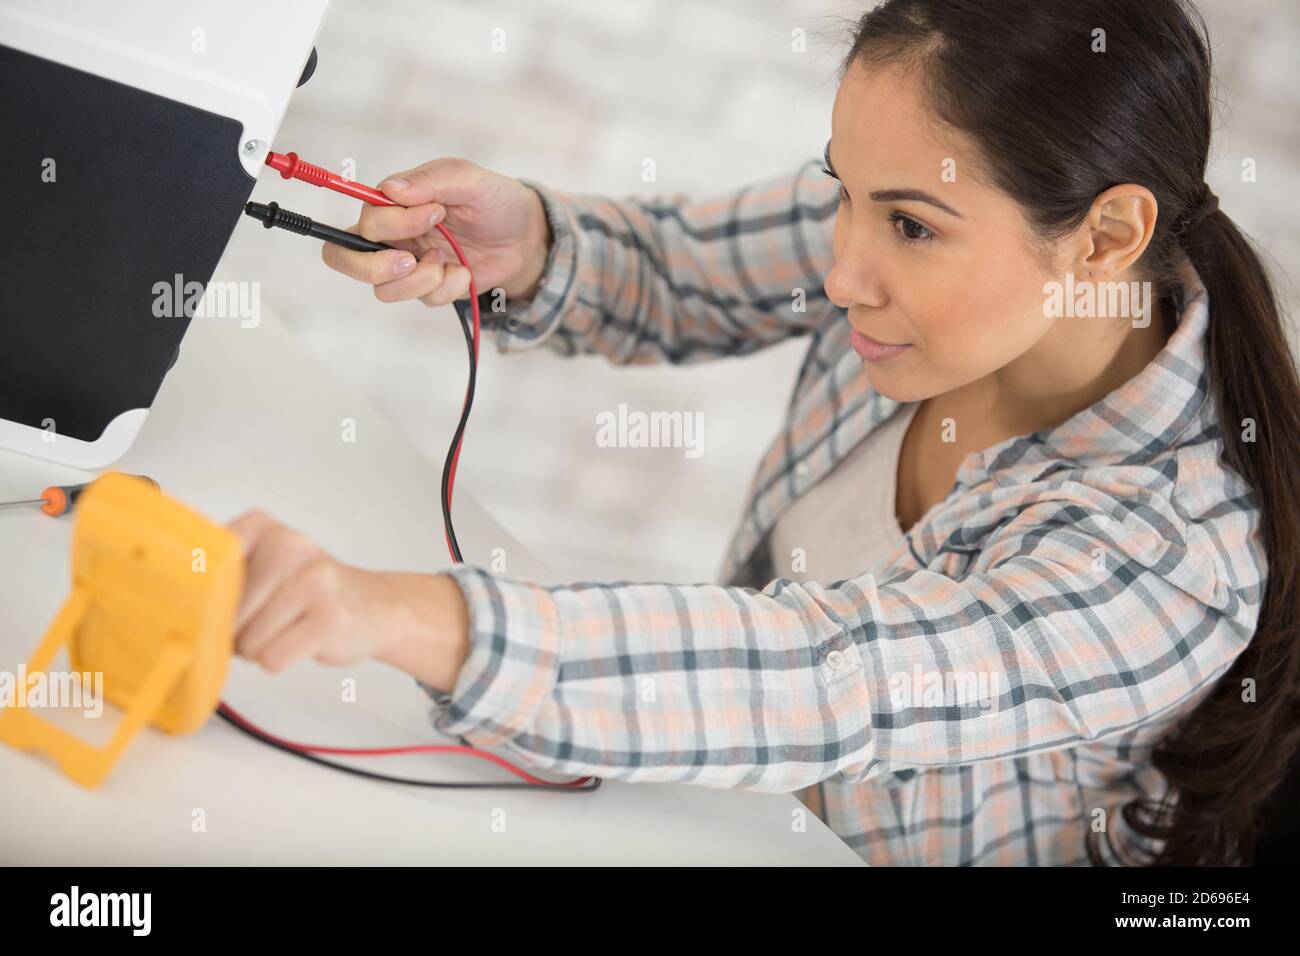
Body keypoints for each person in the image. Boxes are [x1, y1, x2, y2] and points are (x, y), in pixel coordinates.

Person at [229, 0, 1299, 865]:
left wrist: (388, 610)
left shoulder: (1171, 554)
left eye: (910, 227)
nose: (839, 272)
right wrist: (532, 242)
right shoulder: (899, 213)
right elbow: (678, 270)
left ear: (1106, 235)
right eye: (843, 191)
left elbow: (828, 672)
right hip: (722, 816)